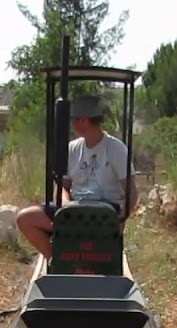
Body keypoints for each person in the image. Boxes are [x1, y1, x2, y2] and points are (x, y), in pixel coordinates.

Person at [15, 94, 138, 262]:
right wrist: (65, 205)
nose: (72, 124)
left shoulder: (116, 149)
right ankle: (58, 260)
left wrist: (121, 220)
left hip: (104, 212)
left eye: (75, 119)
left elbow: (132, 192)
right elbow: (62, 186)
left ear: (85, 121)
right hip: (74, 209)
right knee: (25, 218)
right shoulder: (72, 148)